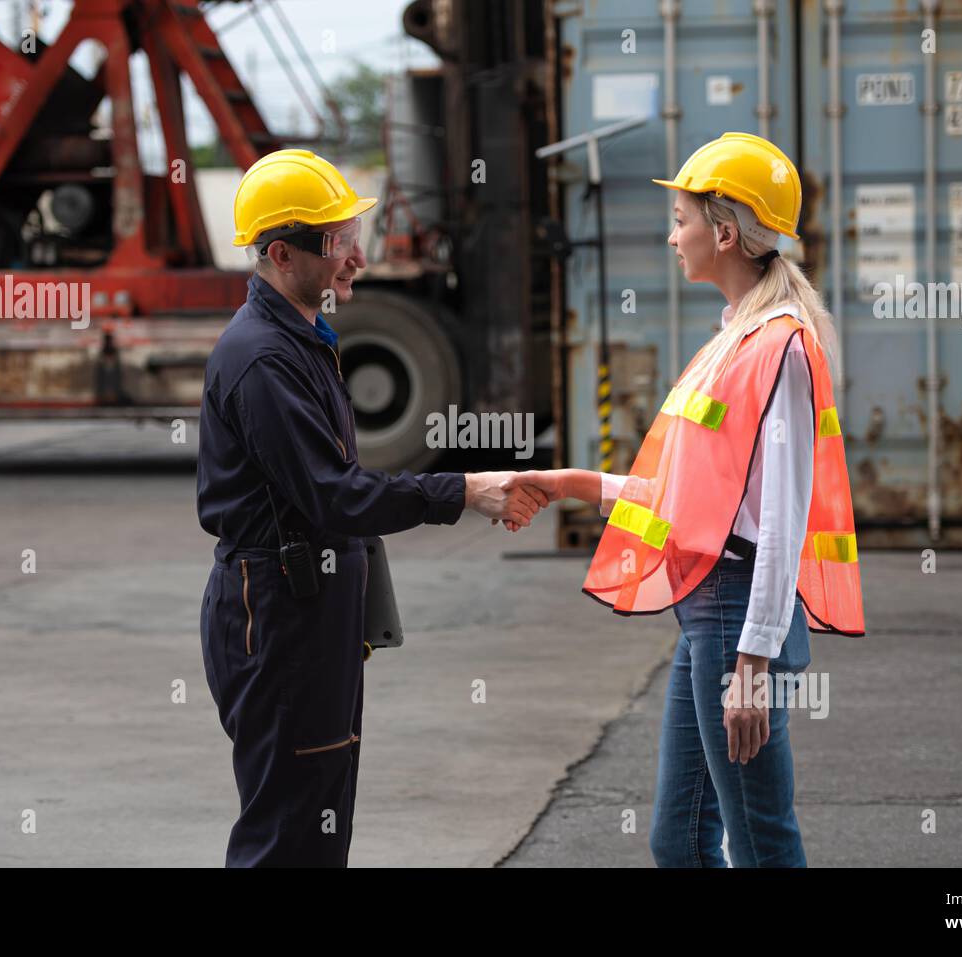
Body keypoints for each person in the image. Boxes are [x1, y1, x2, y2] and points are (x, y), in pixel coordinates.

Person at [505, 132, 865, 867]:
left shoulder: (780, 347)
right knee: (680, 840)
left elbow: (782, 520)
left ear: (725, 231)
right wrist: (577, 485)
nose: (673, 236)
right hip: (707, 611)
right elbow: (700, 497)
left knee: (761, 842)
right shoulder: (733, 337)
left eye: (681, 220)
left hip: (736, 615)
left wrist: (754, 664)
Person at [196, 148, 547, 867]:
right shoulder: (264, 358)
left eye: (354, 232)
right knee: (286, 835)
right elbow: (335, 492)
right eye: (338, 241)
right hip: (281, 619)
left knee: (318, 820)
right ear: (283, 252)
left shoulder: (299, 336)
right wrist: (461, 490)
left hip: (308, 610)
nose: (356, 255)